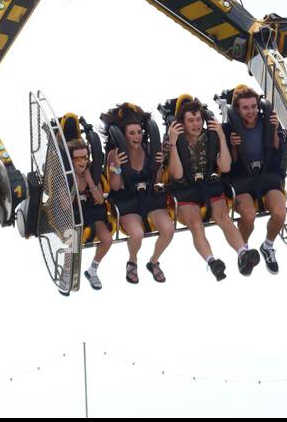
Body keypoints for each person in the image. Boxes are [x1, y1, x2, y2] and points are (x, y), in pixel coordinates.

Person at [166, 98, 248, 281]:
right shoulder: (173, 140)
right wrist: (172, 144)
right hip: (184, 189)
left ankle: (243, 252)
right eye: (190, 120)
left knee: (223, 218)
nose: (196, 124)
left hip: (207, 184)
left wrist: (220, 136)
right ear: (181, 123)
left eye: (198, 120)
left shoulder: (209, 137)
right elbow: (177, 174)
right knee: (196, 225)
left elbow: (225, 167)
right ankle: (212, 262)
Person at [224, 85, 287, 275]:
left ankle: (268, 246)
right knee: (249, 216)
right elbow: (229, 166)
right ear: (237, 109)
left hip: (266, 176)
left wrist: (276, 129)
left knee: (279, 212)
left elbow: (278, 152)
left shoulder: (266, 122)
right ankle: (244, 252)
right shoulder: (229, 129)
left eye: (253, 106)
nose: (251, 111)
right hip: (242, 180)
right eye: (245, 108)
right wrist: (233, 146)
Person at [102, 103, 172, 284]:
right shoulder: (114, 154)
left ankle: (154, 261)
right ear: (123, 135)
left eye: (139, 132)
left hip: (149, 197)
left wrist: (159, 164)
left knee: (168, 229)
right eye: (132, 133)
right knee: (137, 234)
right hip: (127, 200)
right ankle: (132, 261)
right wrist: (115, 166)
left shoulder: (149, 148)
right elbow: (115, 187)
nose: (137, 136)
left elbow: (156, 180)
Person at [68, 138, 113, 290]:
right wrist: (75, 183)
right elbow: (64, 205)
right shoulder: (65, 175)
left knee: (107, 239)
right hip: (72, 213)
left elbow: (100, 200)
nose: (82, 162)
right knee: (73, 241)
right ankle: (68, 270)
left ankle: (92, 270)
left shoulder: (92, 173)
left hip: (92, 210)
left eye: (85, 157)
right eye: (78, 158)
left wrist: (89, 180)